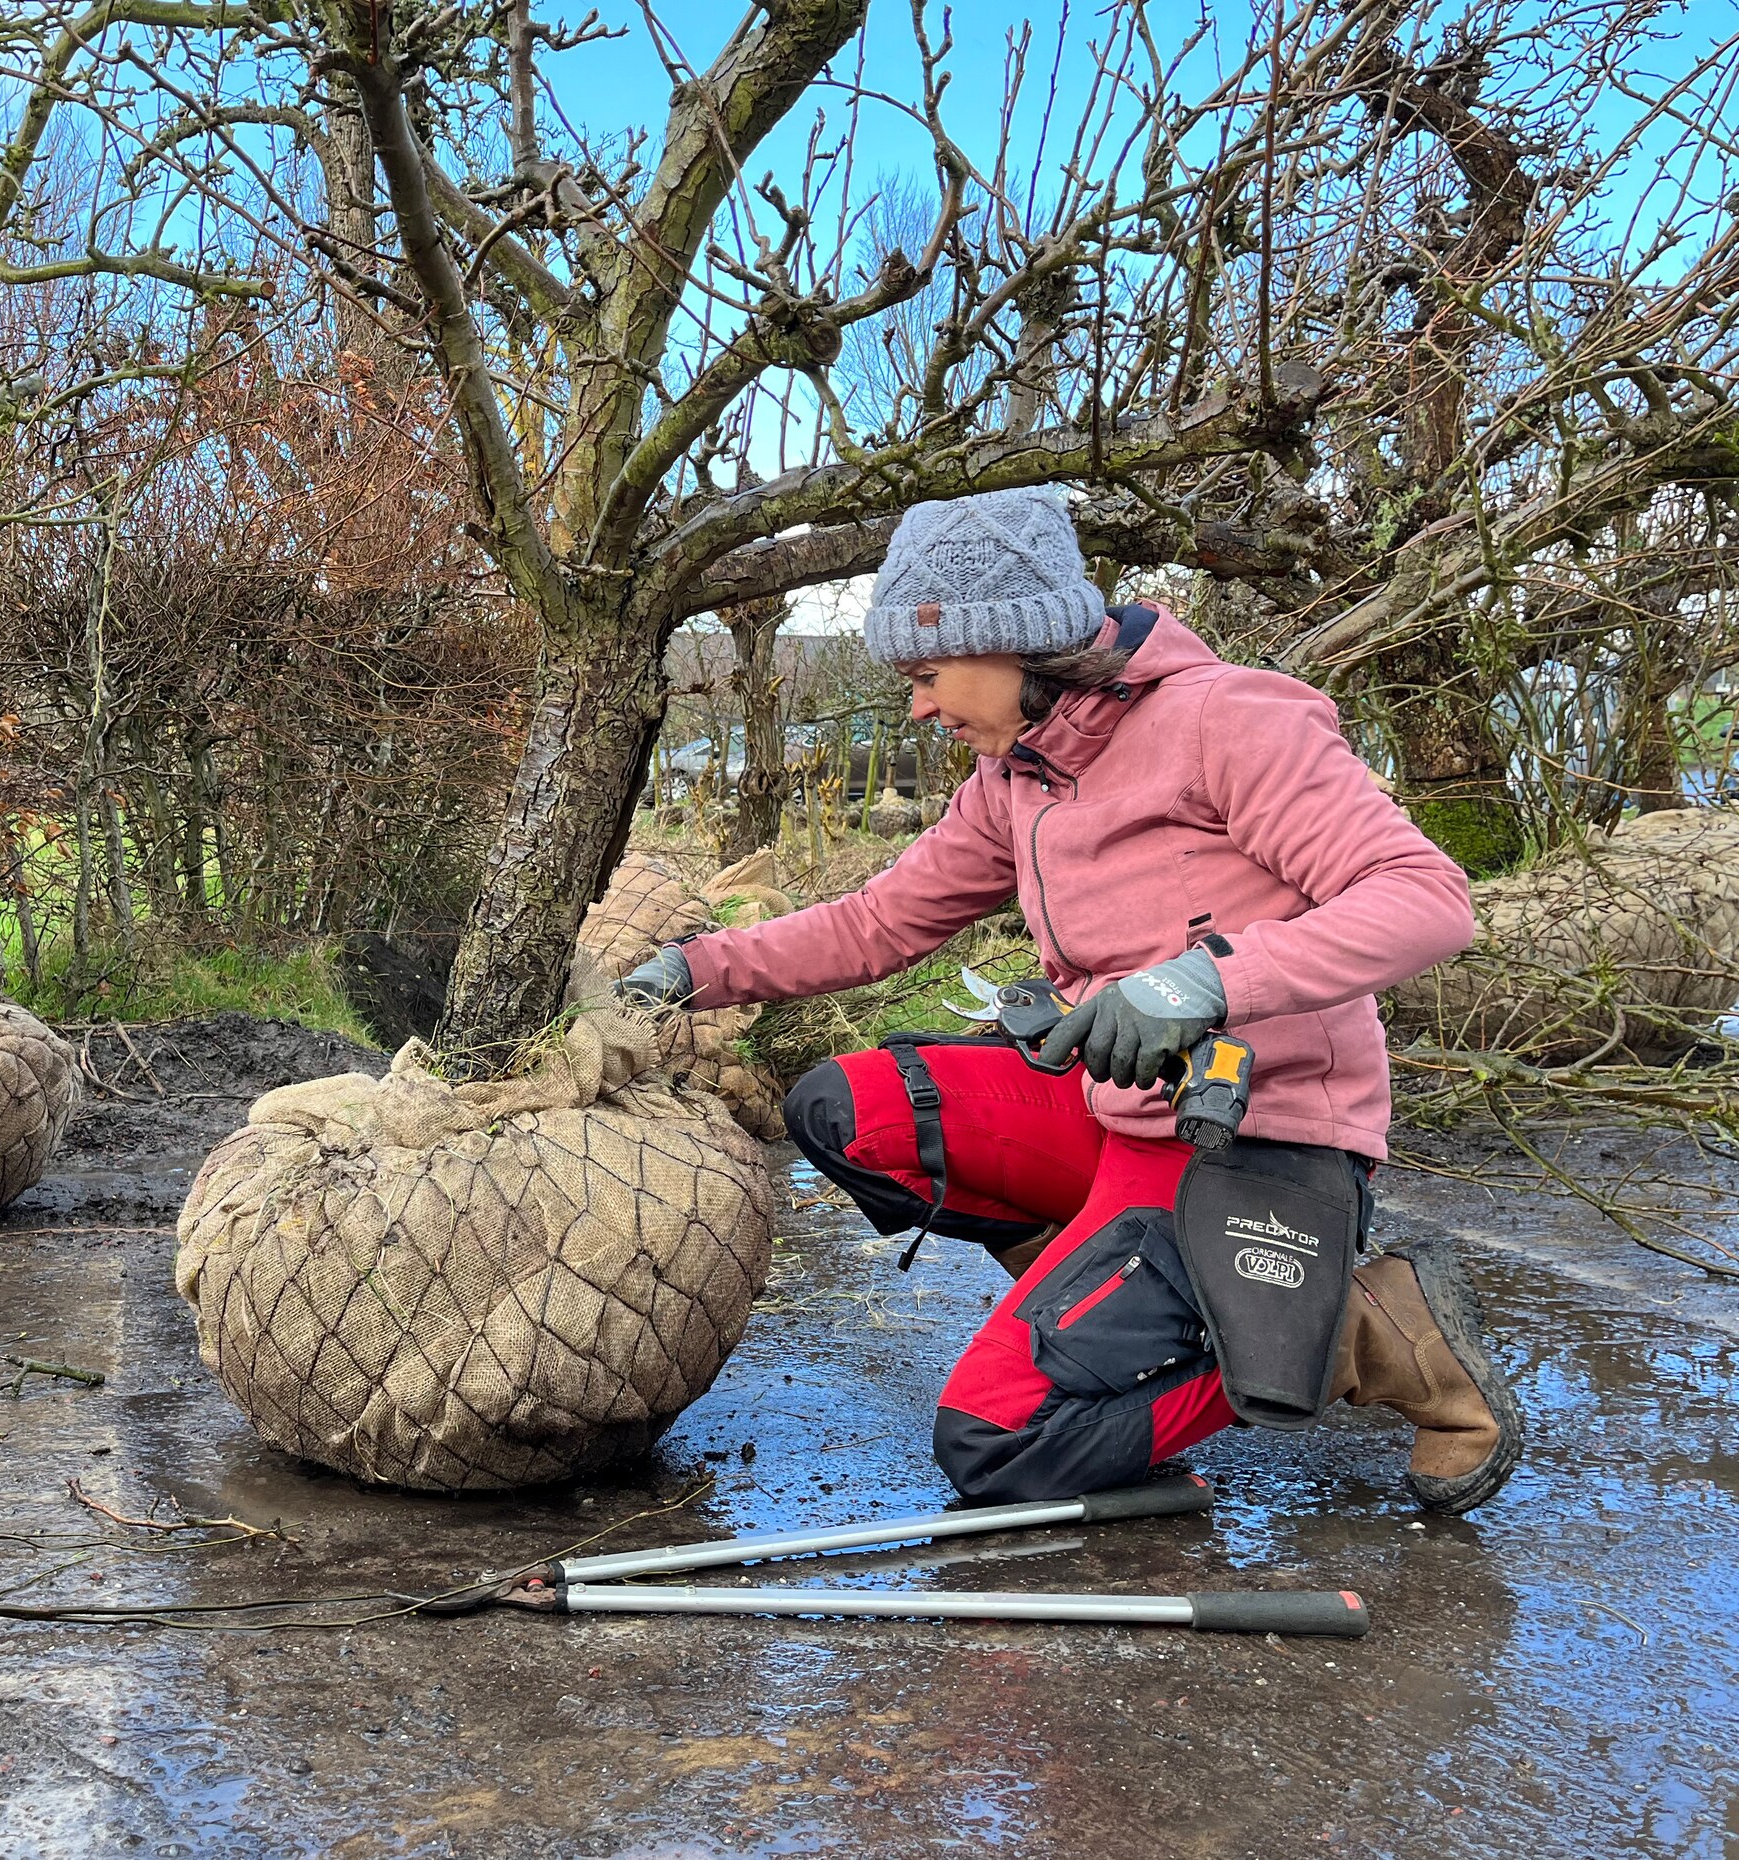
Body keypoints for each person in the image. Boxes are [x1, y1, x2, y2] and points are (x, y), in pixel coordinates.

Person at [618, 484, 1522, 1514]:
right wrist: (693, 970)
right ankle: (1135, 1318)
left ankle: (1352, 1330)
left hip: (1250, 1138)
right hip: (1109, 1111)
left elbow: (1425, 899)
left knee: (998, 1446)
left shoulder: (1226, 719)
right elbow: (879, 921)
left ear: (1016, 645)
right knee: (844, 1109)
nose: (918, 707)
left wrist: (1205, 980)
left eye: (927, 675)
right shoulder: (1016, 774)